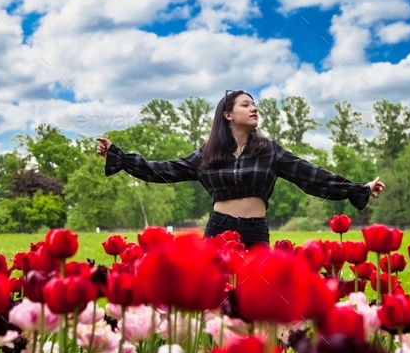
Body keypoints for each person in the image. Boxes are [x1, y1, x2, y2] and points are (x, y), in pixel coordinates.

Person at [96, 90, 385, 249]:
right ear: (228, 115)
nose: (254, 108)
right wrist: (117, 156)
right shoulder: (207, 154)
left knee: (253, 304)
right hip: (218, 229)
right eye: (246, 104)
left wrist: (358, 188)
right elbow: (163, 170)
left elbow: (311, 175)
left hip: (256, 230)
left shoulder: (270, 150)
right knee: (216, 305)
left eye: (255, 104)